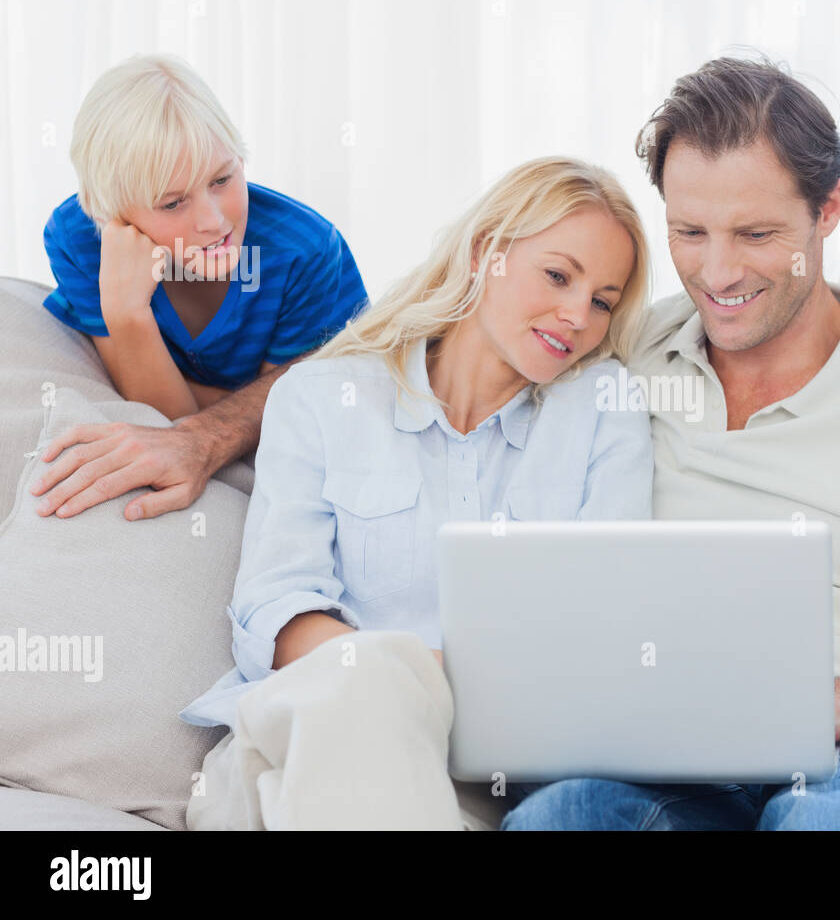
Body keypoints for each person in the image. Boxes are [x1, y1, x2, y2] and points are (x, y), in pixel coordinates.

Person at [501, 56, 840, 831]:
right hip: (685, 752)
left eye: (756, 234)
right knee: (558, 819)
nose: (717, 271)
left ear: (829, 210)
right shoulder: (627, 352)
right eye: (689, 233)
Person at [180, 156, 654, 830]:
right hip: (313, 737)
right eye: (558, 275)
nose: (579, 314)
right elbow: (274, 608)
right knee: (369, 682)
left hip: (487, 781)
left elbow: (606, 621)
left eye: (604, 300)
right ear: (485, 254)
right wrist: (413, 679)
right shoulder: (325, 397)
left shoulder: (603, 408)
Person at [31, 54, 368, 521]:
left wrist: (236, 404)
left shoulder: (304, 250)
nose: (214, 221)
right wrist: (127, 313)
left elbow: (288, 424)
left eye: (223, 179)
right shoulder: (79, 238)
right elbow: (163, 419)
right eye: (173, 203)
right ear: (114, 215)